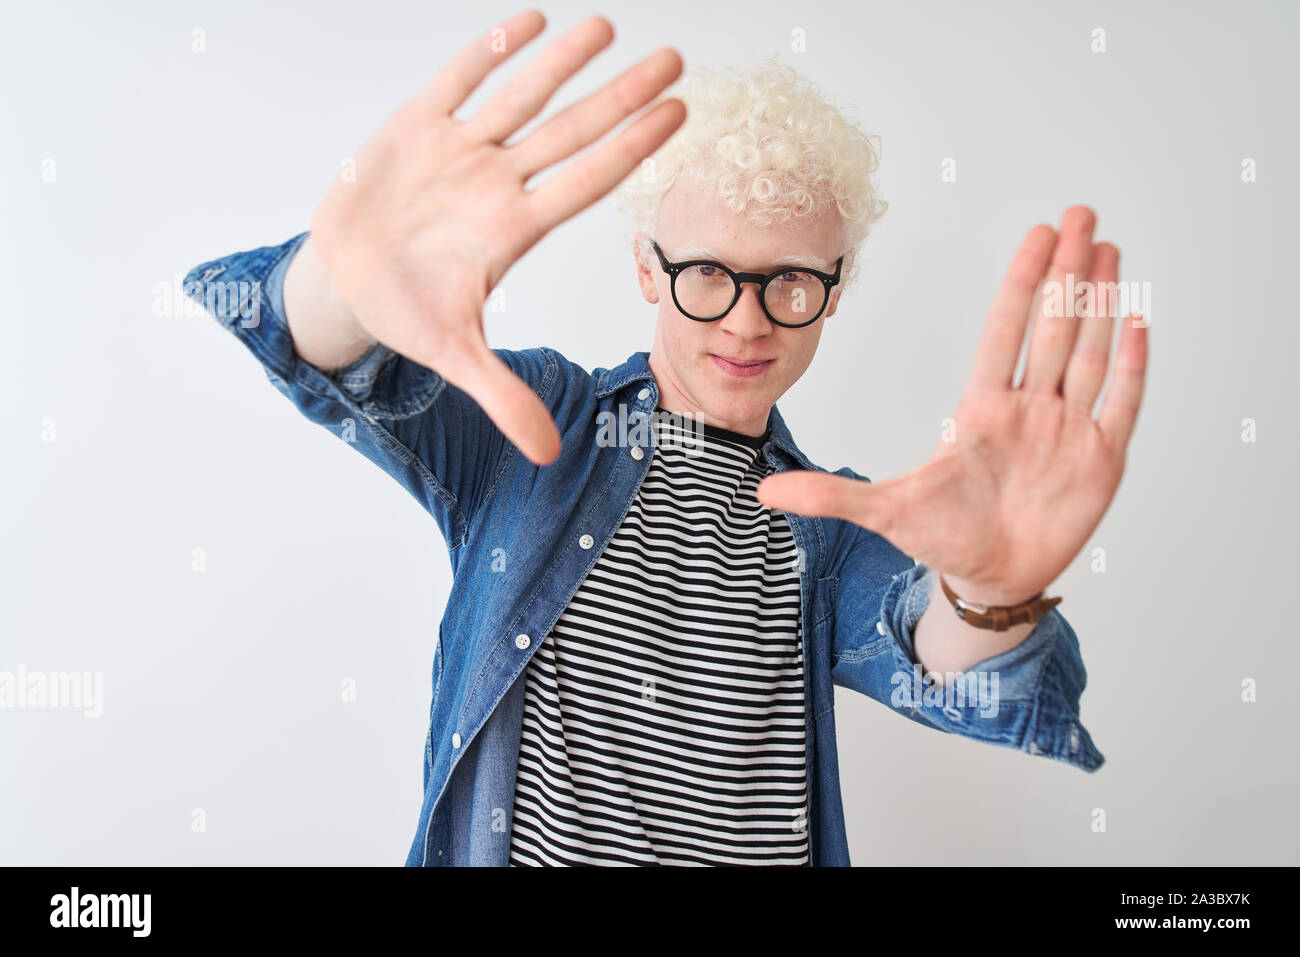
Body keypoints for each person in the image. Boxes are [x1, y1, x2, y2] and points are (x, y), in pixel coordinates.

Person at [183, 10, 1148, 866]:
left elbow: (962, 677)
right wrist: (346, 285)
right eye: (705, 273)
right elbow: (339, 360)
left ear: (838, 289)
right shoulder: (541, 424)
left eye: (791, 281)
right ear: (647, 267)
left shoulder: (835, 522)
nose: (745, 322)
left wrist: (987, 594)